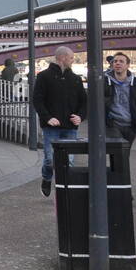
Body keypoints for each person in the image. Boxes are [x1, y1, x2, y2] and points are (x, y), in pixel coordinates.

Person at [32, 46, 86, 197]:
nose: (72, 60)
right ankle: (47, 178)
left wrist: (80, 116)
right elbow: (37, 100)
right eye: (71, 58)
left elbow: (84, 101)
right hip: (51, 127)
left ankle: (66, 187)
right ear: (62, 57)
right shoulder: (43, 77)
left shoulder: (75, 79)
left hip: (70, 126)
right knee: (50, 158)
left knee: (69, 160)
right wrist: (48, 117)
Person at [104, 52, 136, 149]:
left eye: (121, 61)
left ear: (127, 65)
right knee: (117, 151)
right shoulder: (104, 82)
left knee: (125, 154)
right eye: (115, 61)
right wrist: (106, 121)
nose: (117, 63)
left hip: (131, 126)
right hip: (113, 124)